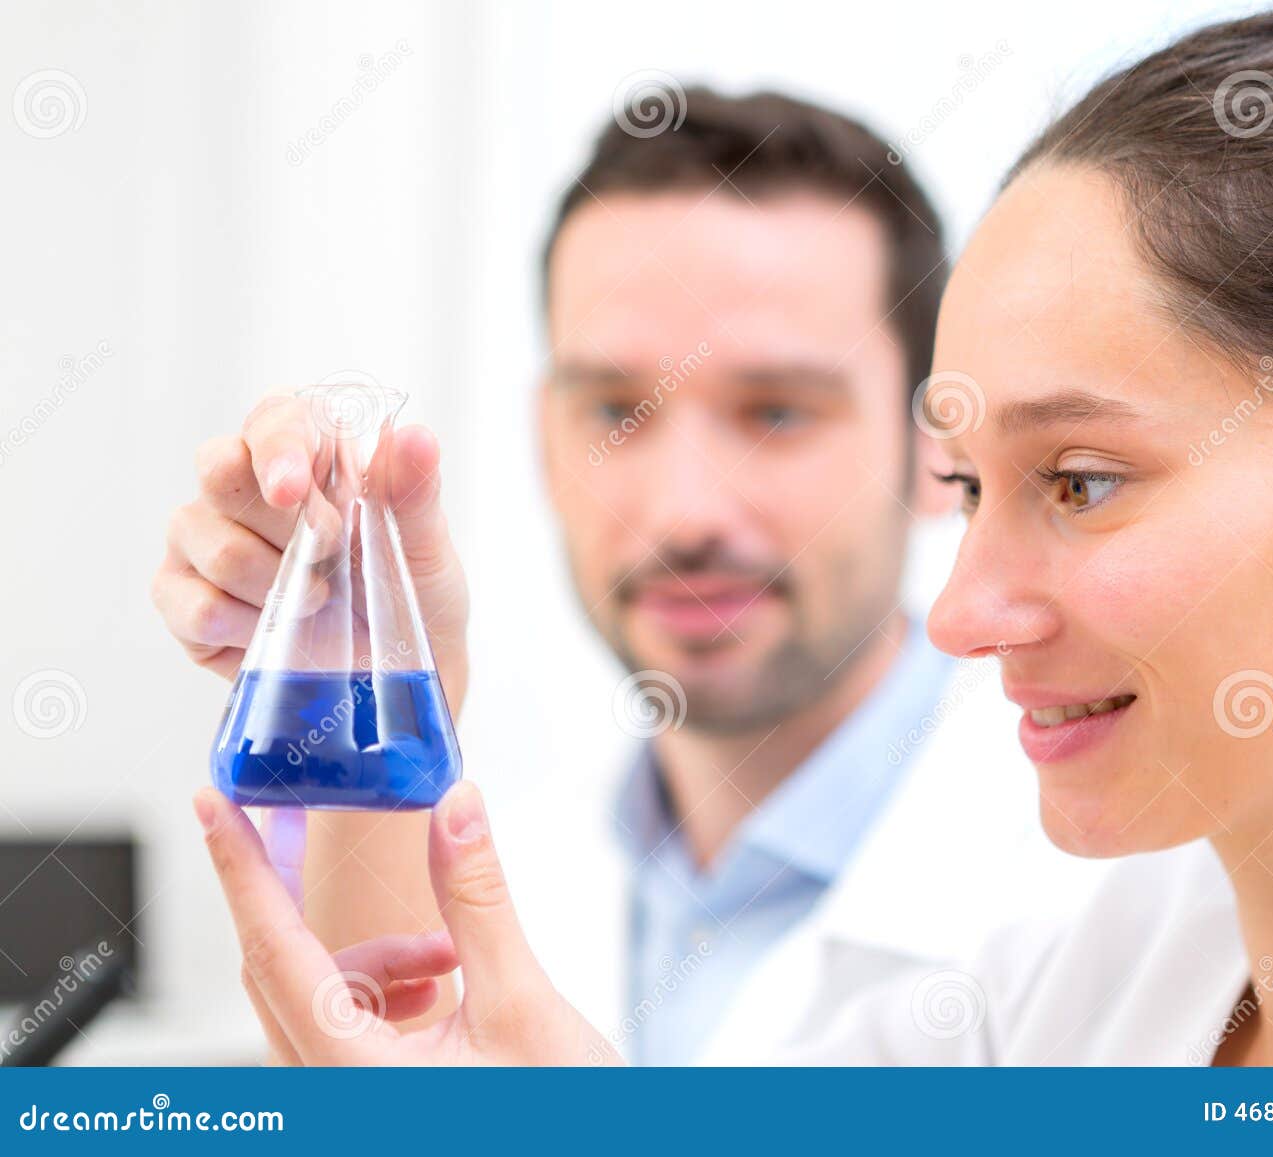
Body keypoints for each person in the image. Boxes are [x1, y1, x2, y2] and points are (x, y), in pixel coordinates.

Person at [192, 4, 1273, 1066]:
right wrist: (375, 691)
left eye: (1083, 480)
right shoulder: (1058, 988)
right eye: (977, 485)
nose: (964, 612)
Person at [156, 88, 1093, 1065]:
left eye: (776, 412)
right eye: (614, 411)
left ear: (940, 447)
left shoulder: (1111, 889)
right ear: (544, 440)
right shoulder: (520, 858)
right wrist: (367, 682)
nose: (685, 510)